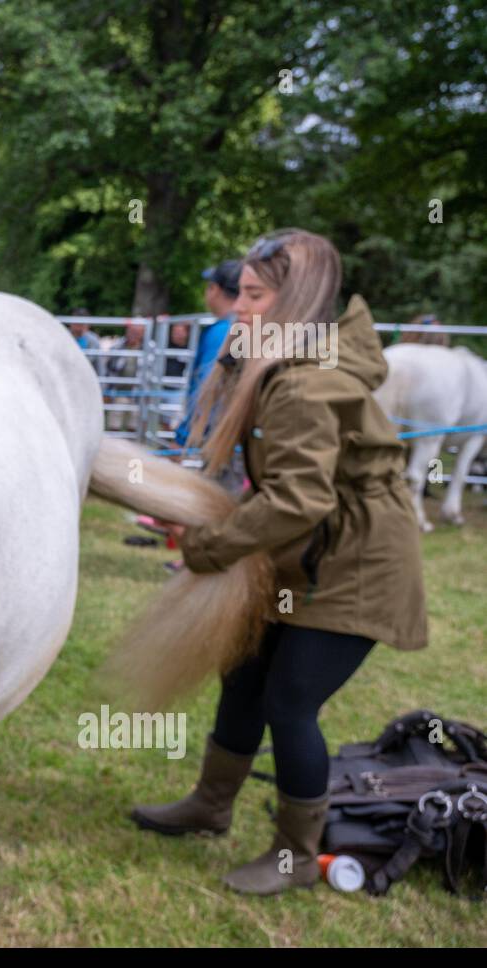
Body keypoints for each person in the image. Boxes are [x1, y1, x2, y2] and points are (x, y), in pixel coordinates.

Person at [131, 229, 427, 895]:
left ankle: (295, 857)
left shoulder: (303, 384)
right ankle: (210, 805)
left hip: (355, 564)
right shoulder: (281, 363)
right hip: (308, 552)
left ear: (294, 302)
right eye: (240, 291)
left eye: (256, 295)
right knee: (244, 675)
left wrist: (211, 547)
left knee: (290, 702)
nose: (238, 305)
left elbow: (297, 499)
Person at [175, 260, 240, 447]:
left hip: (214, 438)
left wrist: (184, 436)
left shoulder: (222, 332)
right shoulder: (237, 328)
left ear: (215, 289)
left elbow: (207, 387)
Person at [68, 307, 105, 377]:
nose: (79, 327)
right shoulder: (64, 337)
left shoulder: (93, 341)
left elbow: (99, 367)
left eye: (82, 324)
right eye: (76, 323)